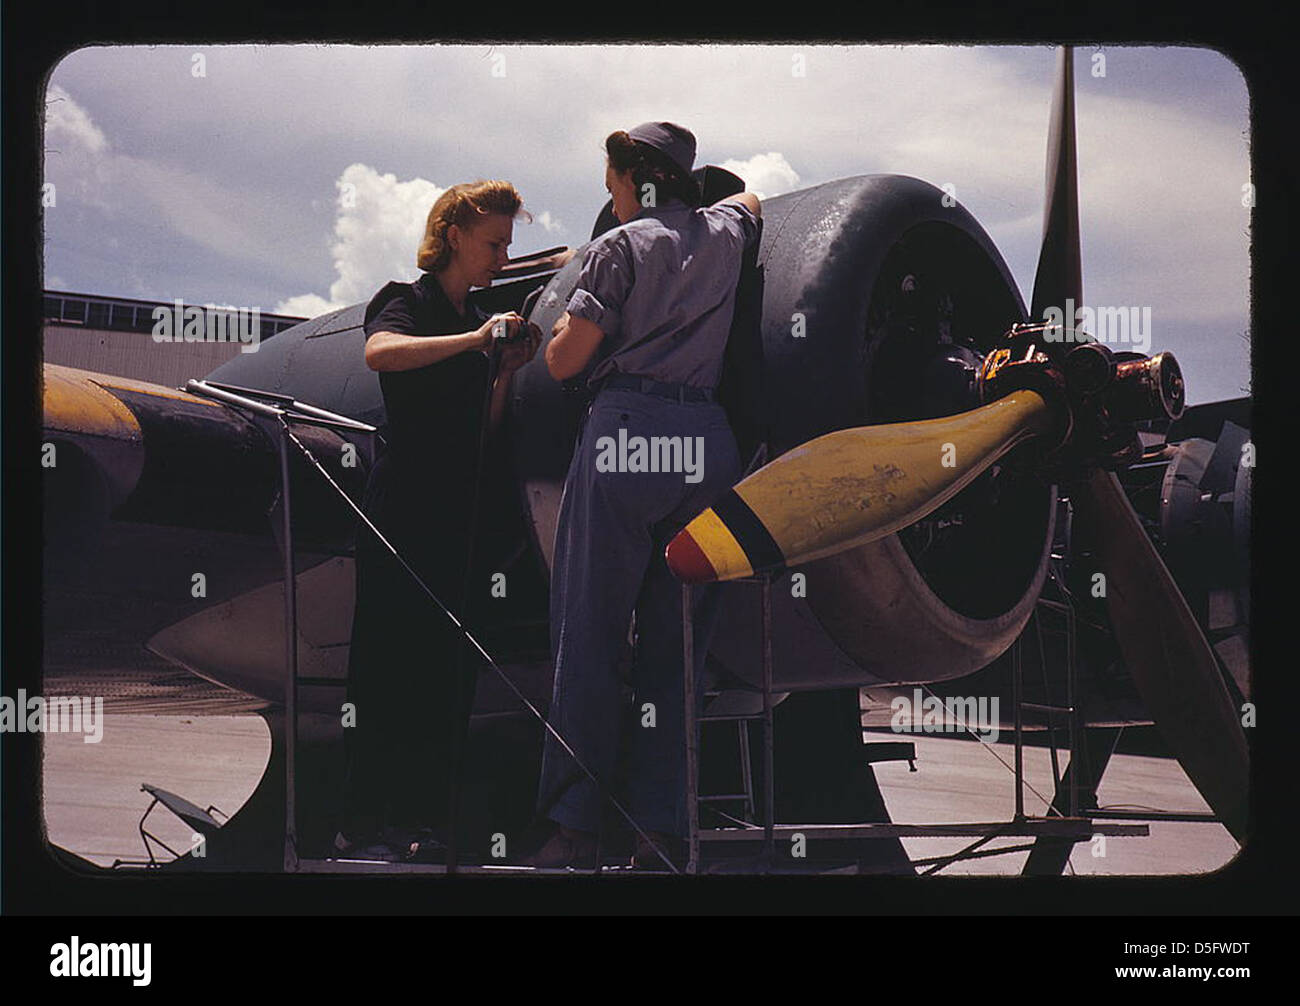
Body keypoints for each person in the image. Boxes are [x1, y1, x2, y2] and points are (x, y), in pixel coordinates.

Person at [530, 122, 762, 869]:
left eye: (614, 181)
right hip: (707, 446)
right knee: (679, 654)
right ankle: (660, 834)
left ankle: (574, 829)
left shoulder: (619, 247)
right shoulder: (724, 231)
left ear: (635, 178)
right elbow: (754, 200)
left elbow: (565, 363)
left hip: (629, 432)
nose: (612, 194)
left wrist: (566, 309)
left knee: (589, 637)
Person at [338, 180, 541, 858]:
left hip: (461, 512)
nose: (502, 258)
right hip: (403, 508)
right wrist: (474, 341)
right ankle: (361, 822)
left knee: (444, 673)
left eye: (508, 245)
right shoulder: (406, 300)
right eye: (493, 243)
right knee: (385, 664)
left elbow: (483, 429)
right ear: (454, 235)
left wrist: (505, 366)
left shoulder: (478, 320)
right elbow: (378, 354)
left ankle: (422, 821)